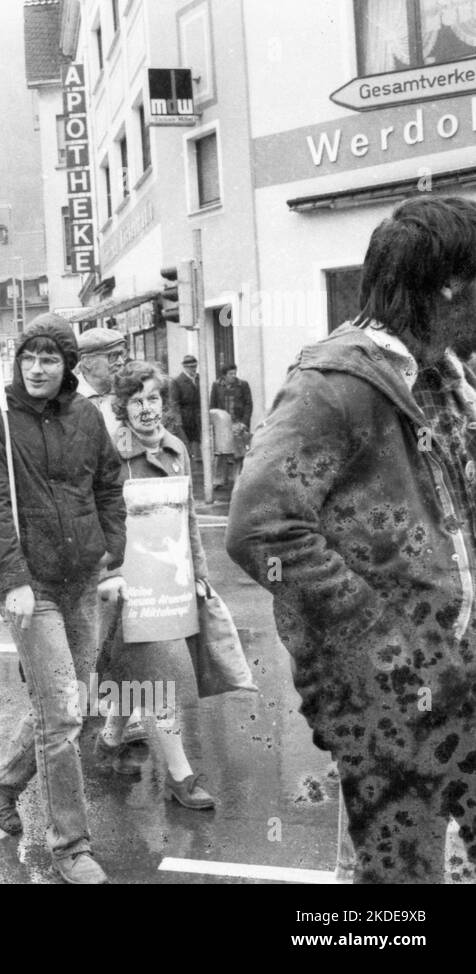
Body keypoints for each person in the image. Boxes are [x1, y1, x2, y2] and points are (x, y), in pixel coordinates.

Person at [226, 195, 476, 882]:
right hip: (385, 690)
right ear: (450, 286)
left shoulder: (444, 380)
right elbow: (260, 528)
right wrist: (378, 633)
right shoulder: (334, 389)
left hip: (455, 675)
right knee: (401, 880)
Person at [0, 313, 125, 884]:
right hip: (31, 589)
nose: (37, 368)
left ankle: (4, 772)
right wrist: (14, 581)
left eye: (49, 359)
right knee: (60, 716)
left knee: (75, 708)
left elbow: (109, 483)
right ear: (16, 360)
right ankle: (69, 847)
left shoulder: (86, 417)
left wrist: (112, 554)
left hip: (83, 580)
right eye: (28, 357)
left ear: (67, 367)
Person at [99, 361, 215, 809]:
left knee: (140, 671)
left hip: (169, 585)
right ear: (122, 407)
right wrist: (108, 576)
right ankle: (180, 777)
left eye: (153, 399)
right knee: (157, 678)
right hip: (128, 585)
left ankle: (110, 737)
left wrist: (200, 574)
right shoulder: (111, 453)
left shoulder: (176, 449)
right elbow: (101, 518)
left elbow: (188, 519)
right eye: (136, 401)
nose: (147, 409)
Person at [74, 326, 127, 437]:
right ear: (88, 362)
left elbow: (127, 445)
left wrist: (124, 451)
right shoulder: (68, 397)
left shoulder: (126, 394)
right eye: (113, 356)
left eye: (122, 355)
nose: (121, 362)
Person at [209, 364, 252, 486]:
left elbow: (249, 405)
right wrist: (215, 422)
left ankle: (237, 478)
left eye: (235, 373)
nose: (234, 376)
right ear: (224, 375)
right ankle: (219, 479)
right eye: (230, 374)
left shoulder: (243, 385)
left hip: (238, 422)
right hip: (222, 424)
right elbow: (212, 405)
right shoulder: (216, 386)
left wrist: (244, 423)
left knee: (239, 451)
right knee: (221, 452)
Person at [169, 355, 202, 461]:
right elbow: (174, 403)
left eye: (195, 366)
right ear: (185, 367)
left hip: (199, 416)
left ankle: (198, 463)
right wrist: (178, 421)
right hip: (186, 417)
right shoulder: (177, 381)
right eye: (191, 367)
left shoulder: (199, 379)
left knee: (199, 443)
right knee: (187, 444)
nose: (194, 369)